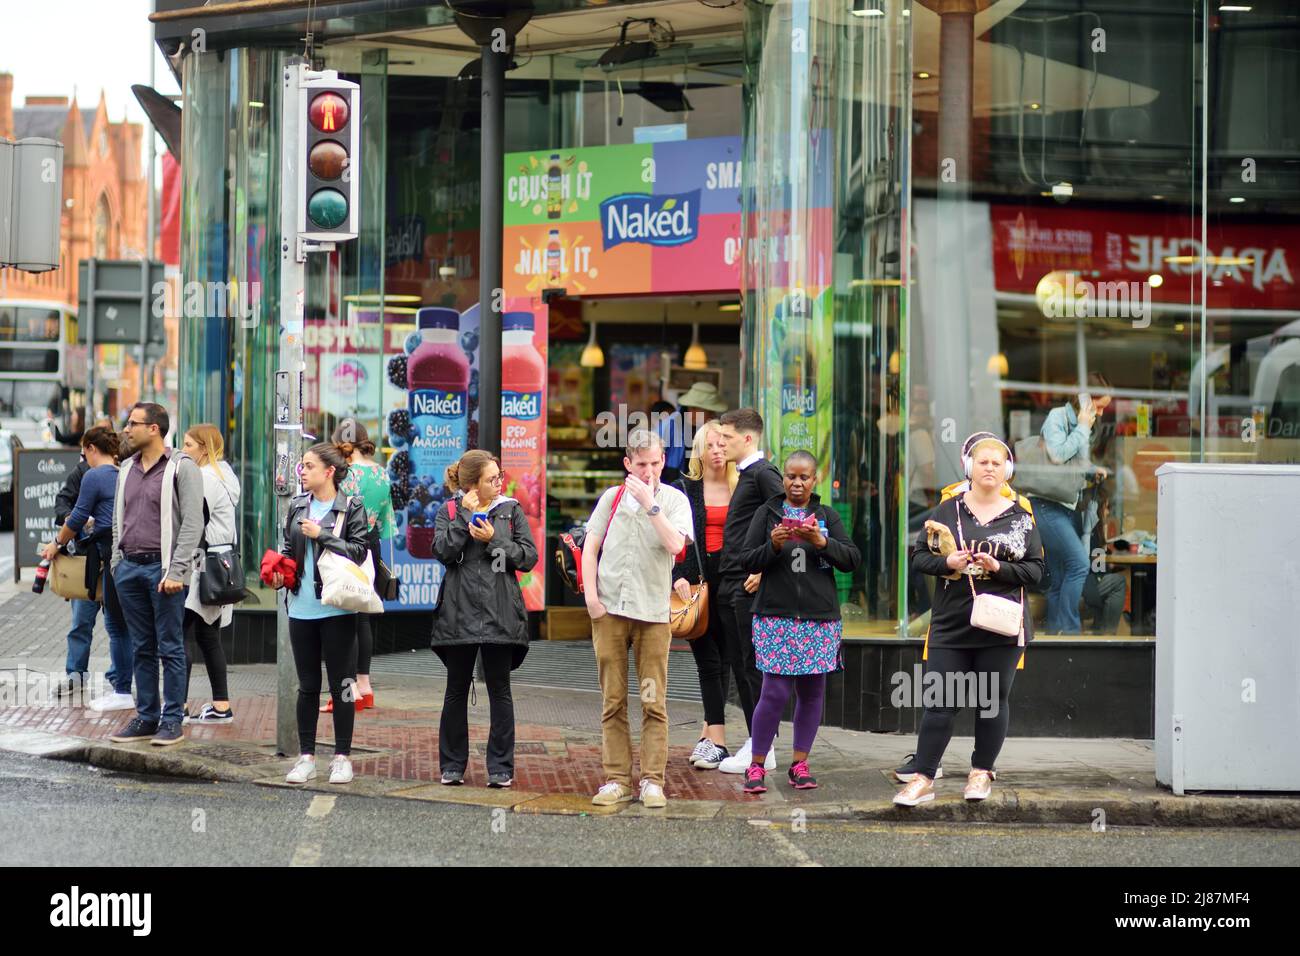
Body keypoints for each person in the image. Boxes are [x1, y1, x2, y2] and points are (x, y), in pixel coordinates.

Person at [895, 433, 1044, 806]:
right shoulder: (949, 510)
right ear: (970, 468)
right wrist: (947, 562)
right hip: (952, 622)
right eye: (983, 462)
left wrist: (999, 567)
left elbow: (1037, 571)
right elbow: (918, 558)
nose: (989, 468)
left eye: (996, 463)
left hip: (1002, 624)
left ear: (1006, 470)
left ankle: (981, 773)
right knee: (940, 701)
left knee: (991, 700)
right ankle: (923, 778)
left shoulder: (1021, 516)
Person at [737, 450, 861, 793]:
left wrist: (822, 542)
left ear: (814, 479)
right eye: (791, 476)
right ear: (784, 478)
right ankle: (757, 765)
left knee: (811, 692)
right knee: (774, 691)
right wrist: (773, 546)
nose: (796, 482)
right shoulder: (767, 513)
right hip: (774, 615)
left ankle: (800, 764)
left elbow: (852, 559)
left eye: (804, 477)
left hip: (819, 619)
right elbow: (745, 559)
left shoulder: (826, 515)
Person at [582, 429, 693, 809]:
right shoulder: (611, 498)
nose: (649, 471)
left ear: (664, 461)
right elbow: (590, 547)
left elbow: (676, 545)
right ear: (628, 464)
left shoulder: (674, 501)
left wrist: (650, 504)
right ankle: (616, 779)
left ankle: (651, 781)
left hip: (652, 615)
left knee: (653, 701)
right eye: (641, 463)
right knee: (612, 700)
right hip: (610, 612)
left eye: (656, 462)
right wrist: (592, 599)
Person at [432, 450, 538, 788]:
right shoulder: (449, 510)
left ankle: (500, 768)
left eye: (499, 476)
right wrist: (464, 518)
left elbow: (528, 557)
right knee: (455, 690)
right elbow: (443, 552)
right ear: (473, 485)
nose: (500, 482)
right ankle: (451, 766)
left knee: (500, 690)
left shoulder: (510, 510)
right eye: (492, 478)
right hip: (459, 612)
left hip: (501, 612)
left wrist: (495, 539)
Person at [269, 442, 371, 785]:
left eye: (310, 466)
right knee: (308, 686)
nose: (303, 471)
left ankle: (342, 757)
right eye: (302, 466)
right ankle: (307, 757)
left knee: (342, 684)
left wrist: (323, 535)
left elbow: (358, 552)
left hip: (337, 608)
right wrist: (281, 573)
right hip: (301, 608)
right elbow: (288, 548)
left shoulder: (351, 506)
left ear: (329, 471)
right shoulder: (298, 506)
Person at [106, 403, 206, 747]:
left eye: (133, 423)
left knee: (170, 648)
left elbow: (194, 522)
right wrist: (117, 564)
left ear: (154, 429)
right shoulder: (125, 469)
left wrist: (177, 569)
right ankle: (146, 717)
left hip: (164, 572)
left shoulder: (181, 467)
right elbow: (120, 518)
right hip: (129, 569)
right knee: (141, 648)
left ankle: (172, 720)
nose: (126, 429)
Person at [713, 407, 784, 774]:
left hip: (746, 583)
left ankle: (762, 746)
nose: (719, 444)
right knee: (743, 666)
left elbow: (789, 519)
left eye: (725, 438)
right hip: (732, 581)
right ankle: (761, 743)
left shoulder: (764, 473)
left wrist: (764, 568)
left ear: (747, 438)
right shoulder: (747, 474)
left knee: (753, 666)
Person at [43, 426, 133, 712]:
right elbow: (67, 506)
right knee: (110, 625)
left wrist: (57, 543)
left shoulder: (96, 474)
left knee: (115, 627)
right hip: (118, 559)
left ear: (93, 449)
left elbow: (79, 515)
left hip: (103, 558)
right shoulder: (126, 472)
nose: (84, 458)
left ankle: (120, 687)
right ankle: (94, 678)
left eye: (85, 452)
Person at [674, 419, 738, 770]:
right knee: (707, 660)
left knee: (726, 658)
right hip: (697, 581)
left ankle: (709, 736)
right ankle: (719, 742)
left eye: (721, 445)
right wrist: (677, 576)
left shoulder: (742, 485)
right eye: (709, 446)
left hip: (732, 580)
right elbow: (671, 537)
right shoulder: (685, 488)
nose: (716, 451)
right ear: (698, 451)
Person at [324, 419, 394, 715]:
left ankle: (347, 690)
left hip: (345, 547)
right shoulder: (382, 474)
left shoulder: (344, 475)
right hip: (372, 546)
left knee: (342, 619)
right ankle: (364, 687)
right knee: (362, 616)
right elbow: (388, 523)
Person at [1032, 374, 1111, 634]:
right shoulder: (1058, 417)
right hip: (1045, 504)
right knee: (1079, 564)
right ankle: (1071, 631)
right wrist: (1083, 427)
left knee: (1059, 577)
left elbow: (1073, 461)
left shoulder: (1079, 424)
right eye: (1098, 407)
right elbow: (1057, 455)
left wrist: (1091, 469)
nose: (1099, 414)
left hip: (1064, 506)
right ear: (1085, 401)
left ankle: (1055, 635)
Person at [179, 424, 241, 724]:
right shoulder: (226, 474)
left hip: (203, 561)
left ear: (204, 448)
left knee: (182, 633)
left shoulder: (205, 477)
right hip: (222, 561)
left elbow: (194, 522)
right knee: (207, 634)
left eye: (189, 445)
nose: (183, 449)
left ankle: (178, 706)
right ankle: (221, 705)